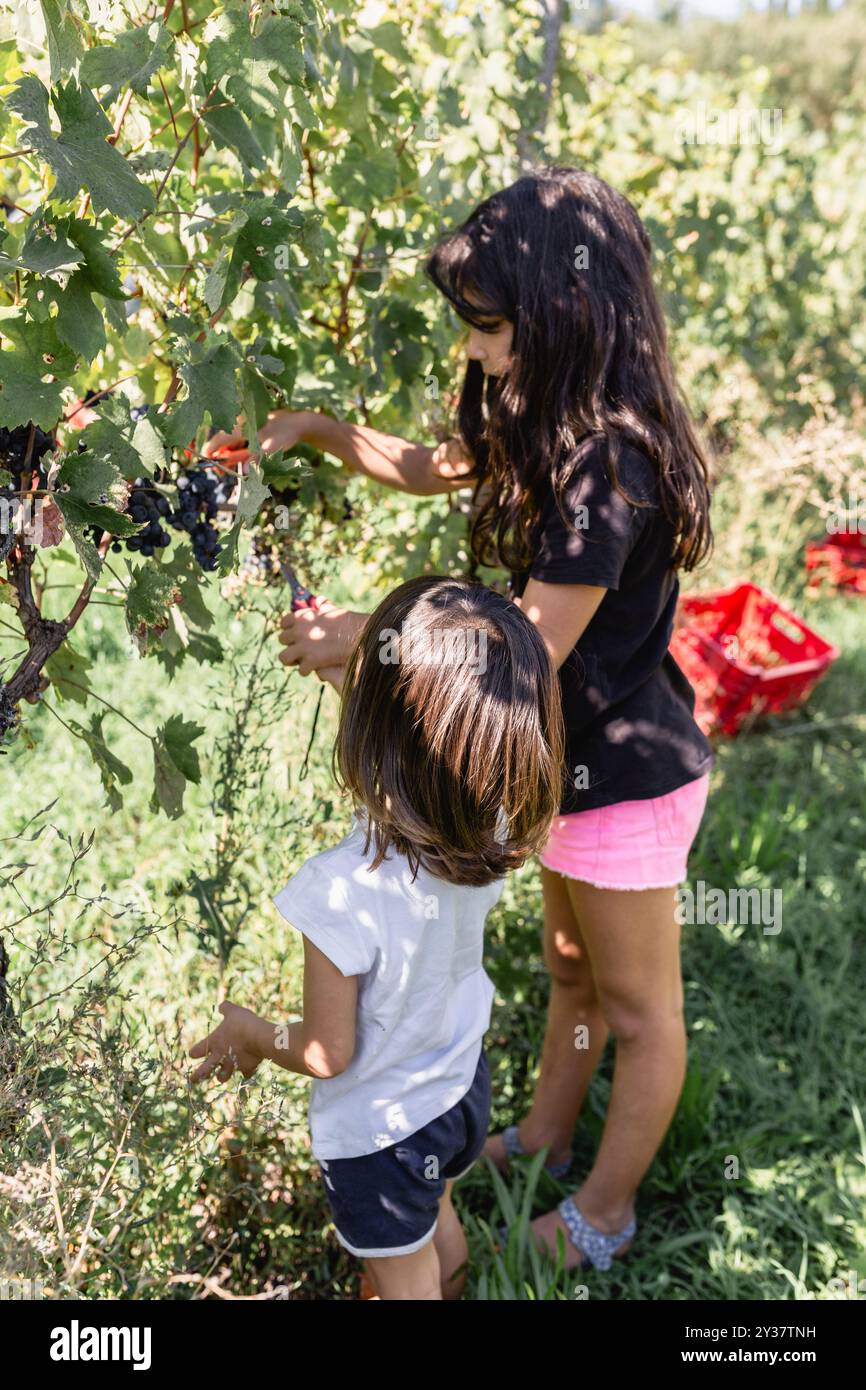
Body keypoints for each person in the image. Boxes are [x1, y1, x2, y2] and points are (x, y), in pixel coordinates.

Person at [204, 165, 715, 1270]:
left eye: (487, 329)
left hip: (624, 780)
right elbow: (431, 464)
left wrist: (372, 642)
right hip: (567, 770)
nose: (476, 352)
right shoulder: (545, 414)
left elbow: (520, 650)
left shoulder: (603, 468)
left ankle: (604, 1212)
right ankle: (539, 1132)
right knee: (570, 966)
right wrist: (320, 429)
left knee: (636, 1007)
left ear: (560, 312)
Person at [189, 576, 564, 1299]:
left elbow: (329, 1053)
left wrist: (253, 1034)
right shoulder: (487, 826)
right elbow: (427, 765)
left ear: (376, 735)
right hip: (457, 1090)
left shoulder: (338, 891)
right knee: (437, 1216)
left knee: (401, 1274)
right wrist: (362, 700)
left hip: (382, 1138)